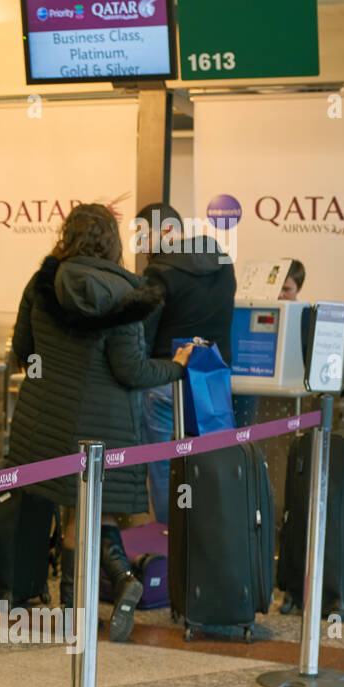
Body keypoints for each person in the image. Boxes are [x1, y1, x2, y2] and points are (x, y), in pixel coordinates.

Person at [7, 204, 192, 642]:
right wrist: (176, 367)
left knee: (74, 512)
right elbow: (132, 372)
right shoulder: (127, 295)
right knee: (94, 511)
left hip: (44, 421)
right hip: (106, 428)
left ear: (66, 236)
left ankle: (77, 609)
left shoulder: (43, 282)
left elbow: (23, 351)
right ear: (113, 242)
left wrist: (46, 378)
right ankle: (115, 581)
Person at [137, 202, 236, 523]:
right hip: (213, 378)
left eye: (143, 235)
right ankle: (210, 540)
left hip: (167, 380)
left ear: (166, 231)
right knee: (211, 465)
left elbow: (144, 335)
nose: (140, 246)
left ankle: (172, 540)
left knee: (167, 467)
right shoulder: (223, 262)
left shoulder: (158, 272)